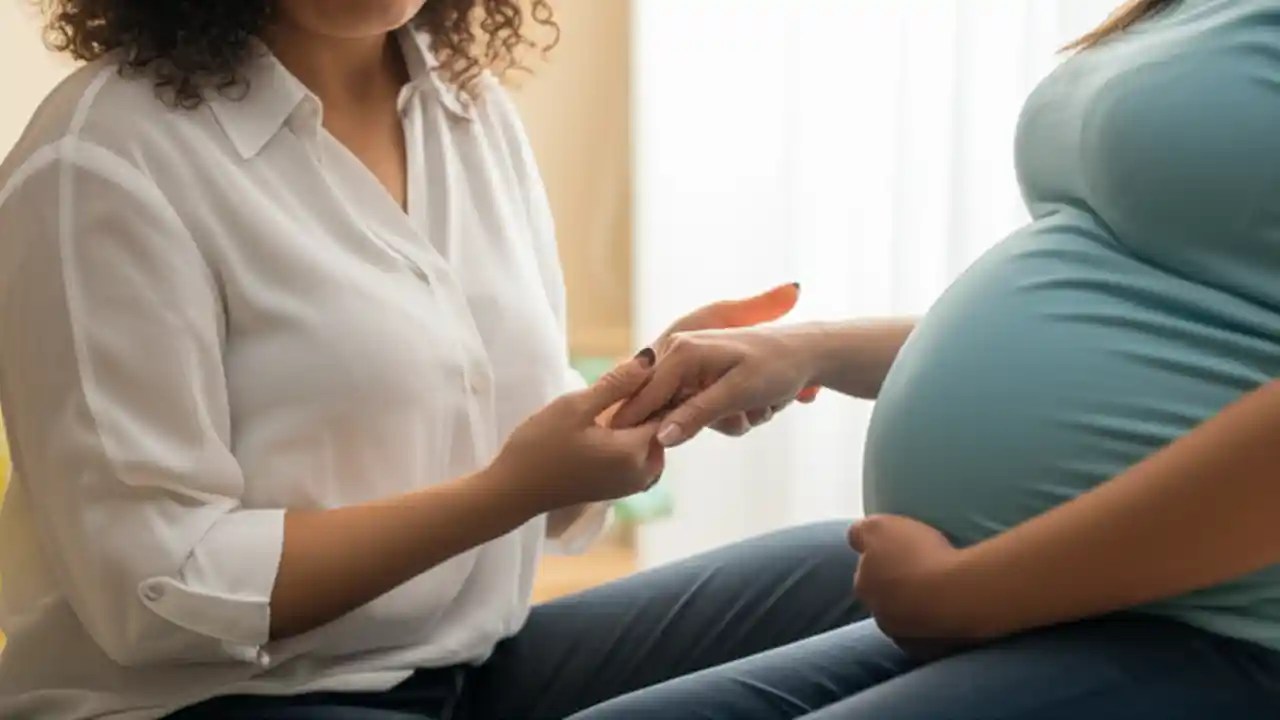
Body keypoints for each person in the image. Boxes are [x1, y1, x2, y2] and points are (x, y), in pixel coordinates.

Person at [0, 3, 850, 719]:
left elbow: (490, 436)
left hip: (462, 670)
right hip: (221, 702)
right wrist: (511, 491)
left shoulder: (467, 109)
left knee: (844, 573)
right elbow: (164, 594)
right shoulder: (101, 164)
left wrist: (650, 386)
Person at [577, 0, 1280, 717]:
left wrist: (969, 594)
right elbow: (1171, 316)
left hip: (1216, 629)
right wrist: (813, 349)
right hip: (1059, 607)